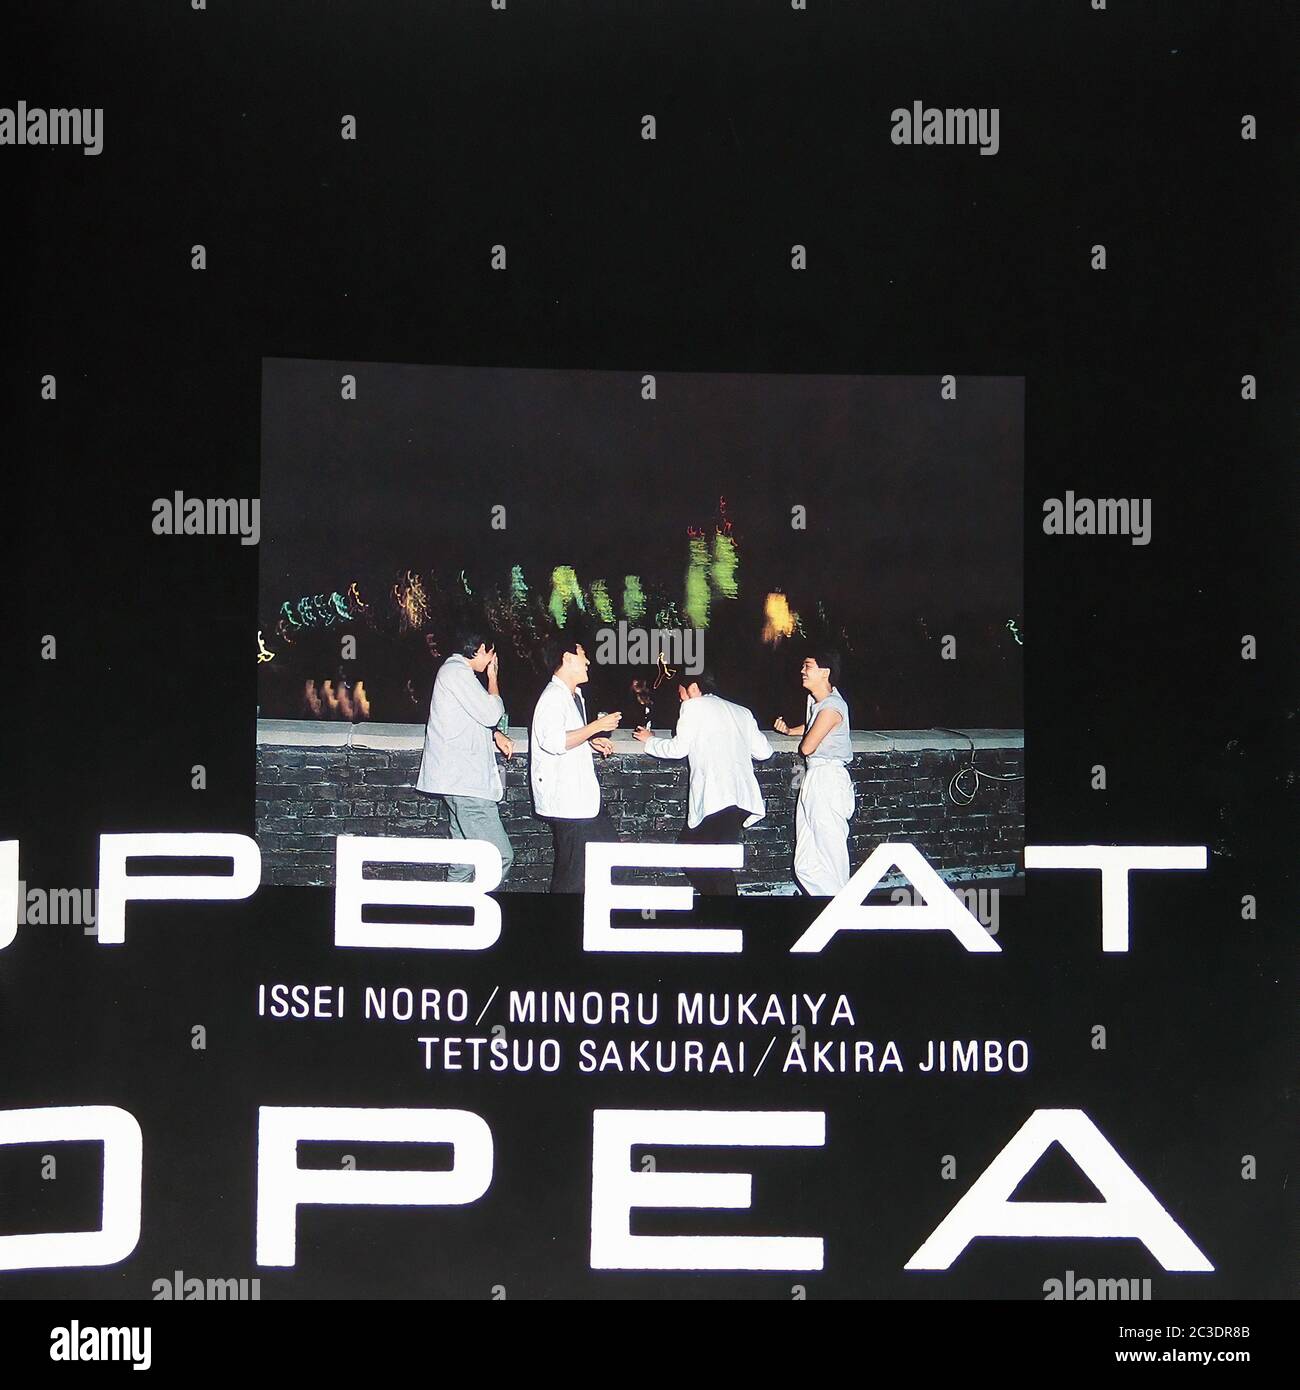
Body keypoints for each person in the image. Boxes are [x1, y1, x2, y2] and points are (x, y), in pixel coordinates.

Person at [634, 668, 773, 895]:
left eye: (681, 693)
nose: (680, 699)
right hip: (742, 799)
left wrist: (650, 741)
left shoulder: (693, 706)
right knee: (714, 863)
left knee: (699, 858)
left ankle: (724, 911)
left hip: (716, 798)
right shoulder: (741, 711)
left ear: (693, 688)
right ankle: (721, 909)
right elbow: (764, 752)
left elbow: (678, 749)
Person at [415, 630, 515, 885]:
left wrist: (495, 735)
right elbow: (491, 712)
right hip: (466, 783)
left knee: (464, 861)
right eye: (491, 654)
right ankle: (477, 905)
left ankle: (453, 907)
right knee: (498, 856)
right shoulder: (458, 672)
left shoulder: (454, 672)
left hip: (457, 782)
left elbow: (466, 718)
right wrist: (493, 678)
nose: (492, 660)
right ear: (480, 649)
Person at [529, 635, 622, 893]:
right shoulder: (552, 697)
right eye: (583, 654)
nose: (588, 661)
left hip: (582, 800)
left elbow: (569, 737)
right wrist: (595, 727)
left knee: (608, 859)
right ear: (567, 658)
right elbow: (553, 741)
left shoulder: (574, 696)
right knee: (573, 878)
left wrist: (591, 741)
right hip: (568, 802)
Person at [774, 651, 854, 896]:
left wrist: (804, 736)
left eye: (808, 666)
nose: (802, 671)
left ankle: (842, 908)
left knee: (831, 855)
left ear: (825, 672)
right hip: (815, 776)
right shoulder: (816, 702)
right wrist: (790, 731)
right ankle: (829, 905)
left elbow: (808, 746)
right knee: (806, 864)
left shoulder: (833, 706)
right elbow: (813, 727)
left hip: (829, 779)